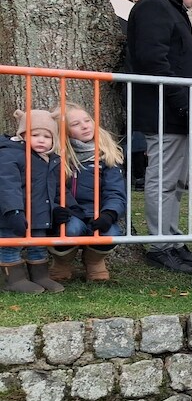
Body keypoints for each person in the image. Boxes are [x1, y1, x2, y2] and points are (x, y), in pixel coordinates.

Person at [127, 0, 192, 274]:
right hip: (164, 111)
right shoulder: (155, 6)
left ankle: (172, 241)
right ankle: (162, 245)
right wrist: (184, 104)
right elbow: (154, 62)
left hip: (173, 110)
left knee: (174, 181)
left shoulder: (167, 7)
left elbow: (171, 57)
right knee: (163, 180)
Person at [48, 103, 126, 282]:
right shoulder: (58, 158)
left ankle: (94, 262)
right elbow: (49, 190)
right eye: (75, 124)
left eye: (87, 120)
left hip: (97, 214)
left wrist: (109, 213)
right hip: (70, 214)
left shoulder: (107, 155)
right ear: (64, 131)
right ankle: (62, 262)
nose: (84, 126)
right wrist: (55, 209)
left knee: (111, 232)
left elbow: (116, 192)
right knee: (70, 229)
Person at [0, 110, 73, 293]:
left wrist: (59, 208)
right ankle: (14, 280)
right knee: (11, 246)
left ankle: (41, 277)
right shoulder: (10, 155)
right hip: (14, 215)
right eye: (34, 135)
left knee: (39, 246)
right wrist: (13, 211)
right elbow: (7, 185)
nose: (41, 140)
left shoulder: (51, 160)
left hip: (40, 214)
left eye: (47, 136)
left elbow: (55, 190)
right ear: (22, 135)